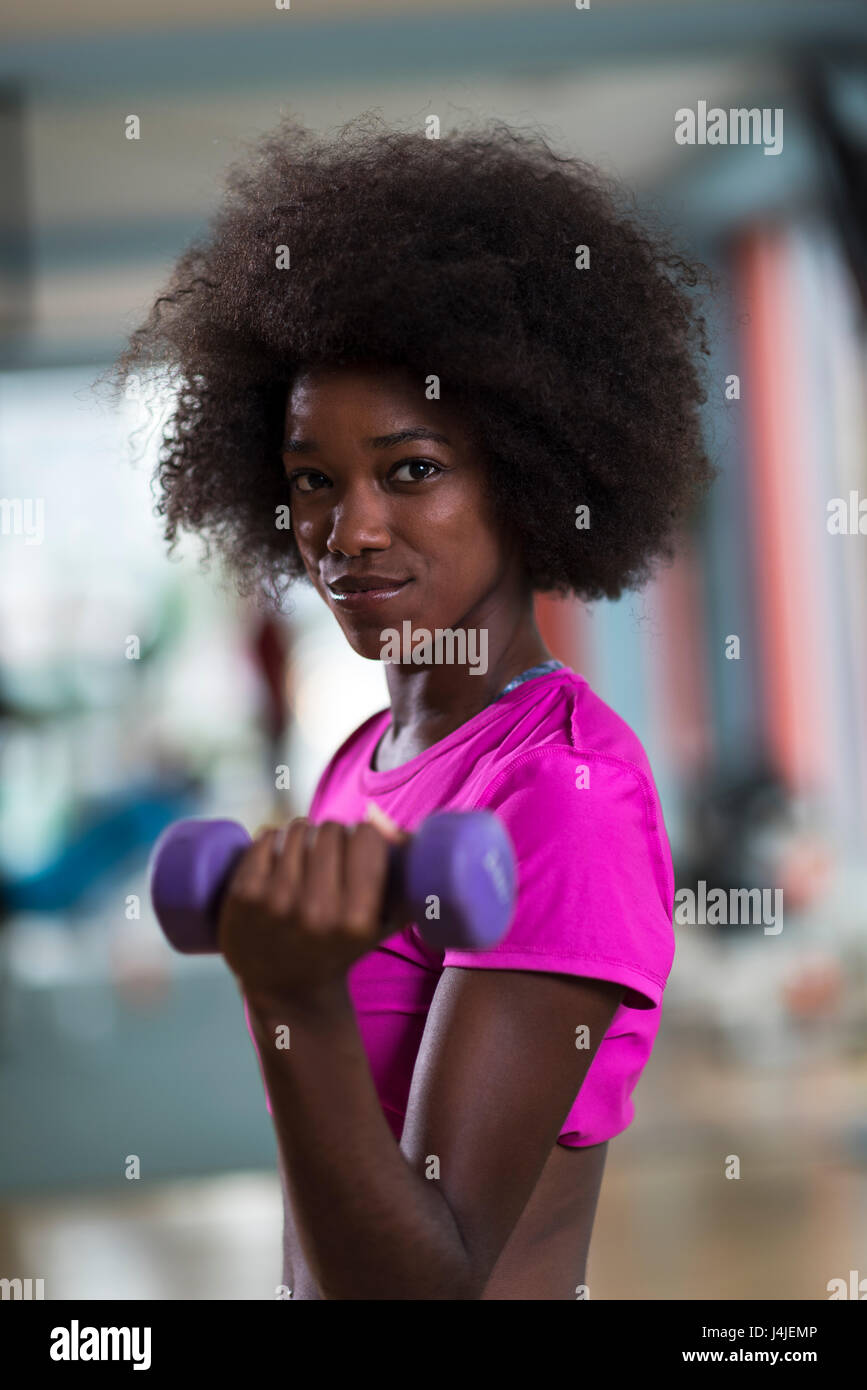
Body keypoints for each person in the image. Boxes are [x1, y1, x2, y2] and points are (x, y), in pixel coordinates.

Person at [108, 112, 715, 1300]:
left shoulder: (566, 791)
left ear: (535, 474)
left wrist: (293, 993)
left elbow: (428, 1285)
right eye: (312, 483)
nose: (350, 531)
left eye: (413, 470)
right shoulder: (366, 760)